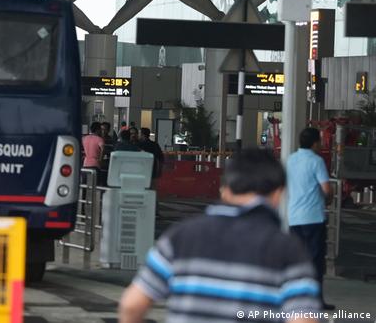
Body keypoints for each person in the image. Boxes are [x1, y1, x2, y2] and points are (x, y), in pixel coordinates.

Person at [119, 149, 321, 323]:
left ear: (225, 190)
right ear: (278, 193)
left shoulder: (180, 237)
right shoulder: (287, 249)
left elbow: (131, 305)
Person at [287, 127, 333, 308]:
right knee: (315, 261)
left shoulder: (290, 160)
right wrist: (328, 199)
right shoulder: (316, 161)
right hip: (313, 218)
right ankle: (315, 300)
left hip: (294, 218)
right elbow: (327, 189)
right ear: (315, 143)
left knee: (296, 260)